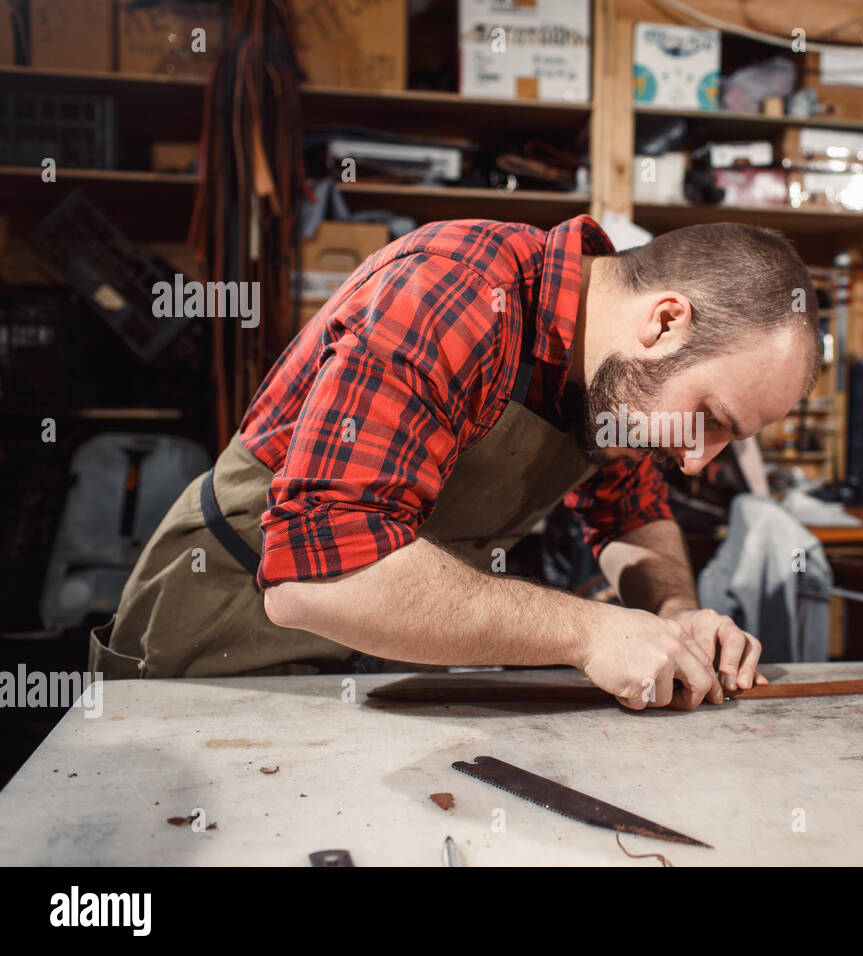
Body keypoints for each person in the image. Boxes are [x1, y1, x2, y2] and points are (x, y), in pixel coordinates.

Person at [90, 215, 821, 711]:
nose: (697, 462)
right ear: (665, 322)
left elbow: (630, 510)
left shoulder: (613, 381)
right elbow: (316, 579)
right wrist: (589, 632)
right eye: (712, 420)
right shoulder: (457, 292)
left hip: (386, 655)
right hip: (226, 628)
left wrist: (674, 614)